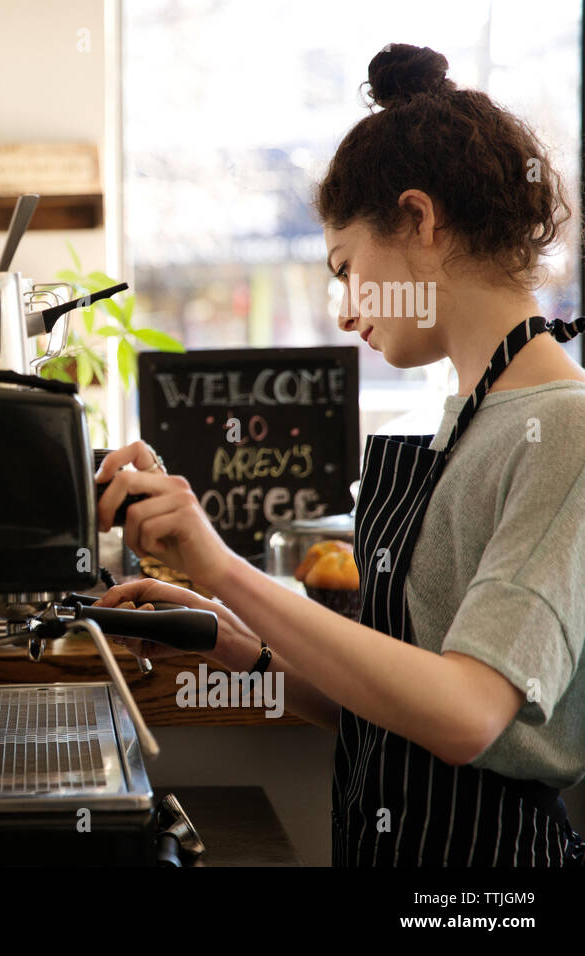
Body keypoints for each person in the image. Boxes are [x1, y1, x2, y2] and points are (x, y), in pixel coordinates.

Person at [96, 43, 585, 866]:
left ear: (421, 222)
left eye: (346, 268)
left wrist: (222, 568)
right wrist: (224, 634)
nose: (345, 311)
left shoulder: (563, 433)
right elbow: (392, 698)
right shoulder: (466, 418)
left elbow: (465, 716)